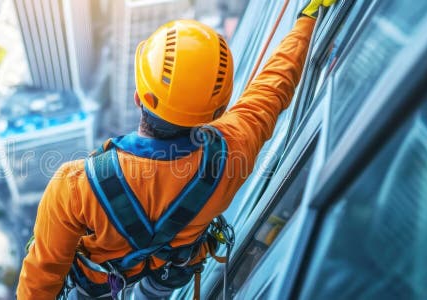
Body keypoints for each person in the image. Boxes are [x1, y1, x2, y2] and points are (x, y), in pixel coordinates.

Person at [18, 0, 335, 298]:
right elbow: (272, 88)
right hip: (172, 270)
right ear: (217, 111)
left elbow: (41, 277)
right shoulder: (232, 151)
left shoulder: (75, 186)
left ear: (139, 98)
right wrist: (307, 22)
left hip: (99, 281)